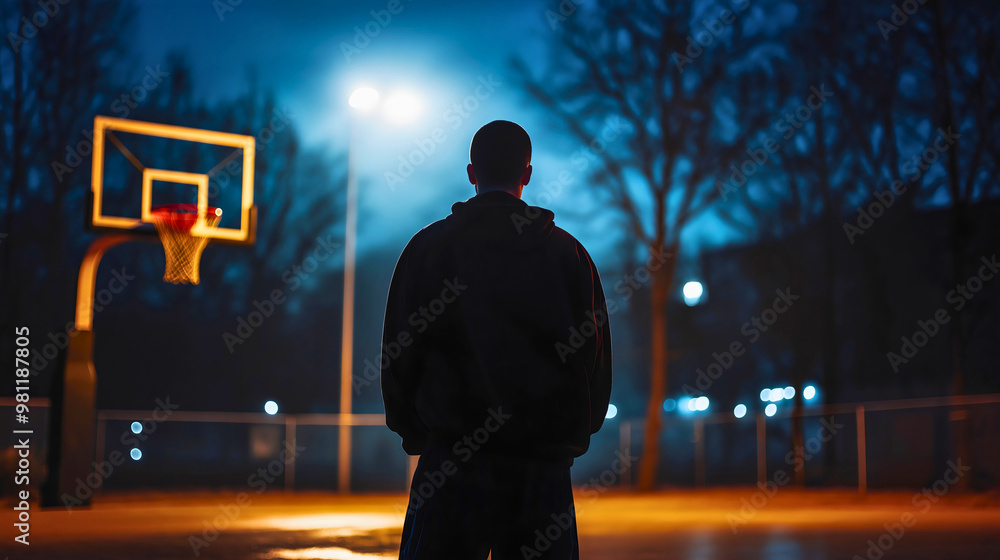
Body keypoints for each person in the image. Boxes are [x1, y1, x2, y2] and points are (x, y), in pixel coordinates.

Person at [380, 120, 612, 559]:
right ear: (527, 173)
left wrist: (421, 437)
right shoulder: (569, 255)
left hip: (449, 463)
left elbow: (398, 355)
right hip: (540, 469)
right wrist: (568, 438)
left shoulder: (426, 250)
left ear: (471, 173)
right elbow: (594, 360)